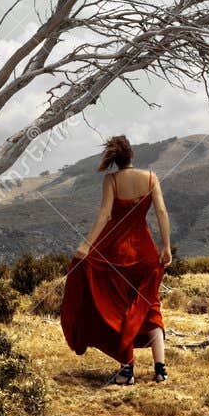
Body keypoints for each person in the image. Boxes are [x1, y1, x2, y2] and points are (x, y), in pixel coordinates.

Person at [59, 135, 171, 384]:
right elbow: (161, 211)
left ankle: (127, 369)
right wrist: (165, 246)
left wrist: (86, 246)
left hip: (116, 253)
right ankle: (160, 369)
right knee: (150, 306)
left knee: (117, 310)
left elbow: (104, 215)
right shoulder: (151, 178)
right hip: (145, 253)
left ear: (115, 160)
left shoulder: (111, 180)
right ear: (132, 156)